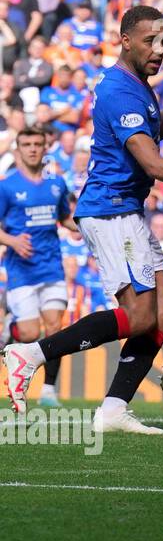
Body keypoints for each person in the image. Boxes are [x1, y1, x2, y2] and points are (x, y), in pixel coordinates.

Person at [3, 5, 163, 431]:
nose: (158, 51)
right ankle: (29, 354)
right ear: (124, 41)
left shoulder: (136, 84)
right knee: (140, 317)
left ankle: (114, 409)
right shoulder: (121, 90)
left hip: (125, 210)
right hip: (110, 211)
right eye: (149, 42)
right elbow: (153, 163)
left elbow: (153, 131)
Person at [0, 126, 79, 407]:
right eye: (27, 144)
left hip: (52, 267)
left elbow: (65, 218)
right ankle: (11, 328)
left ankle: (48, 390)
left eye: (37, 143)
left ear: (45, 148)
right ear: (18, 149)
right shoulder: (6, 186)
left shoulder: (56, 184)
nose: (33, 148)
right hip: (21, 270)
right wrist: (11, 240)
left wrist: (84, 227)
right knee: (31, 333)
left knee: (55, 329)